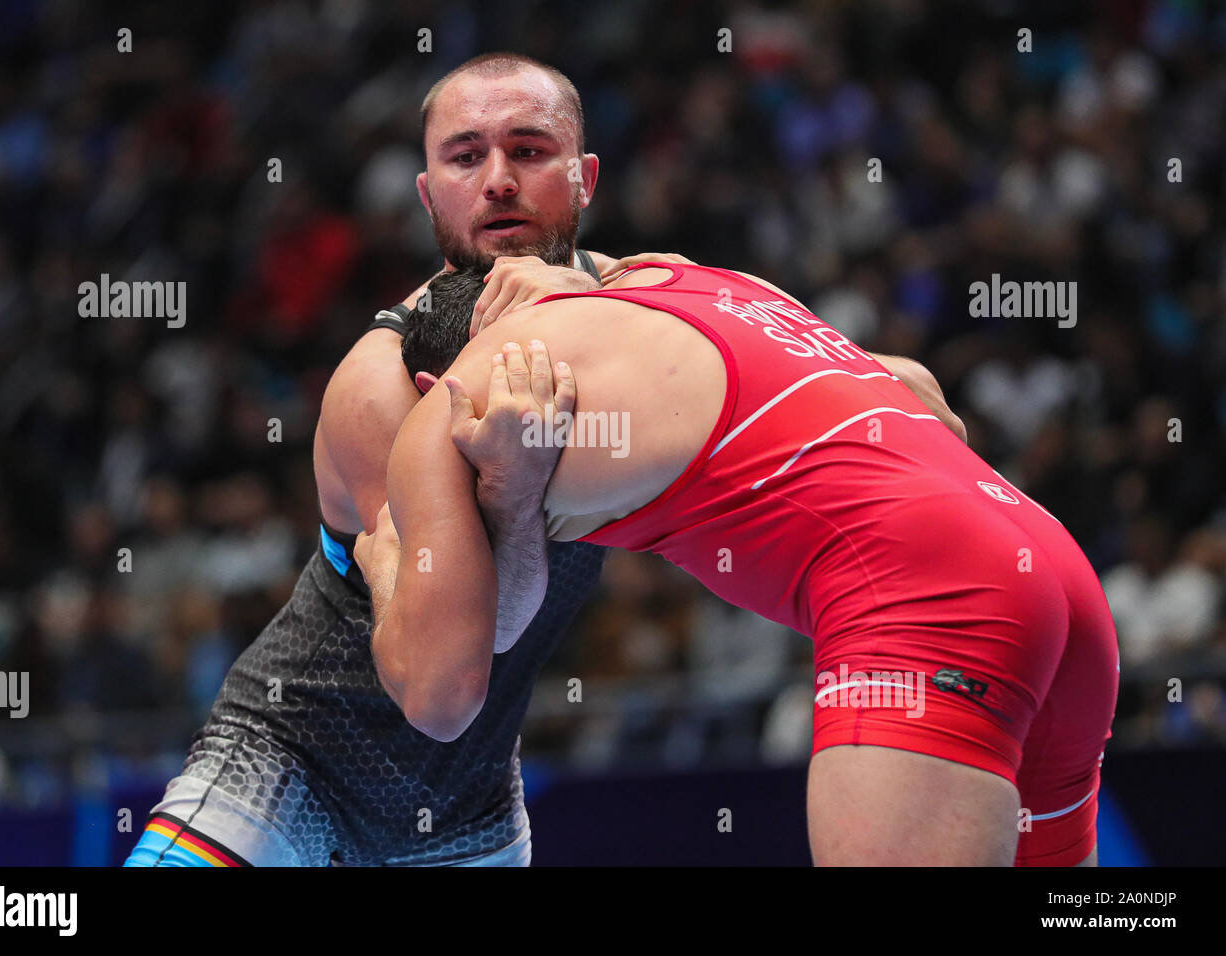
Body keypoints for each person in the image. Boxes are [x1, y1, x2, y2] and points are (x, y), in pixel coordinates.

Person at [125, 51, 957, 867]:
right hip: (287, 765)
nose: (497, 180)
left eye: (528, 150)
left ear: (586, 177)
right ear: (426, 194)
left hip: (470, 806)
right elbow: (446, 675)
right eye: (464, 156)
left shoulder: (645, 301)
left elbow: (909, 391)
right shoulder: (383, 386)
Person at [358, 259, 1119, 867]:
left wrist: (385, 564)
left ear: (430, 384)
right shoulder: (679, 277)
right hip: (1048, 566)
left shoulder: (452, 409)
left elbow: (444, 691)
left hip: (926, 596)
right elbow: (925, 396)